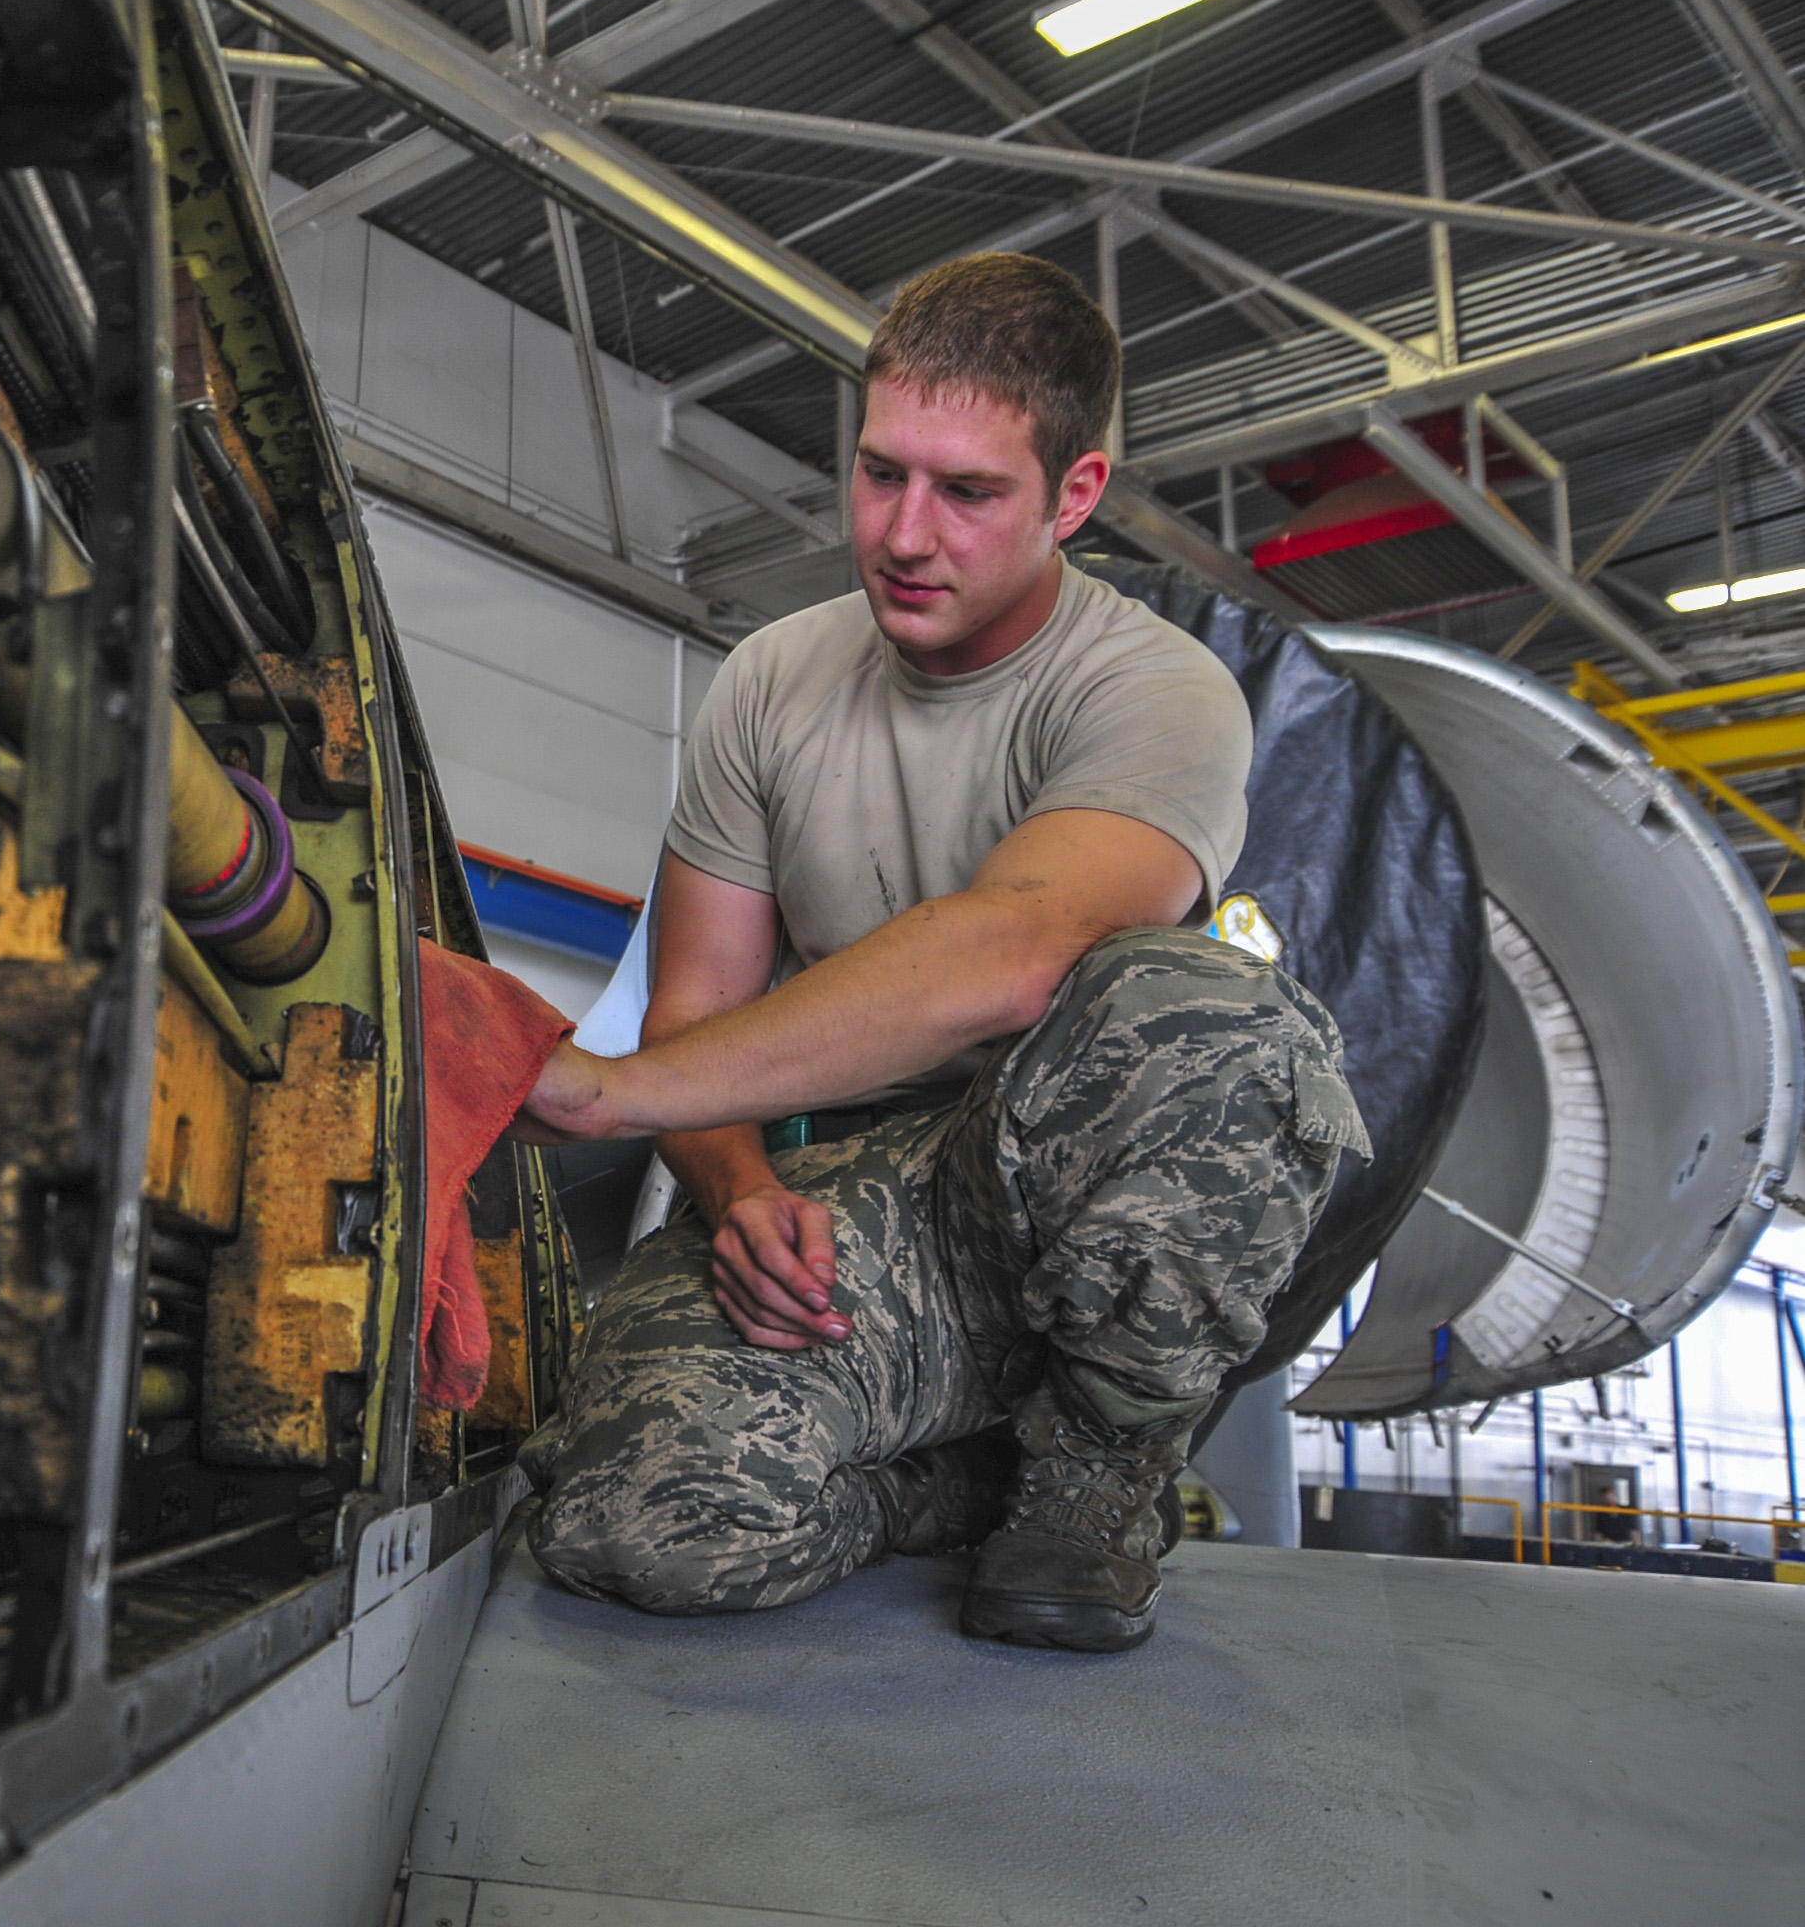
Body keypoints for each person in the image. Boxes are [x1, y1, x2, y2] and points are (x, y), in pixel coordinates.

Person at [508, 252, 1367, 1652]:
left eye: (967, 492)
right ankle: (956, 1490)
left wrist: (604, 1092)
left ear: (1071, 495)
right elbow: (698, 1005)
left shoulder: (1155, 690)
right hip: (860, 1212)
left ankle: (1092, 1478)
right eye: (879, 472)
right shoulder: (771, 681)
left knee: (1208, 1022)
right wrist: (731, 1188)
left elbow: (1022, 946)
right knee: (636, 1520)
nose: (904, 534)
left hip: (1060, 1206)